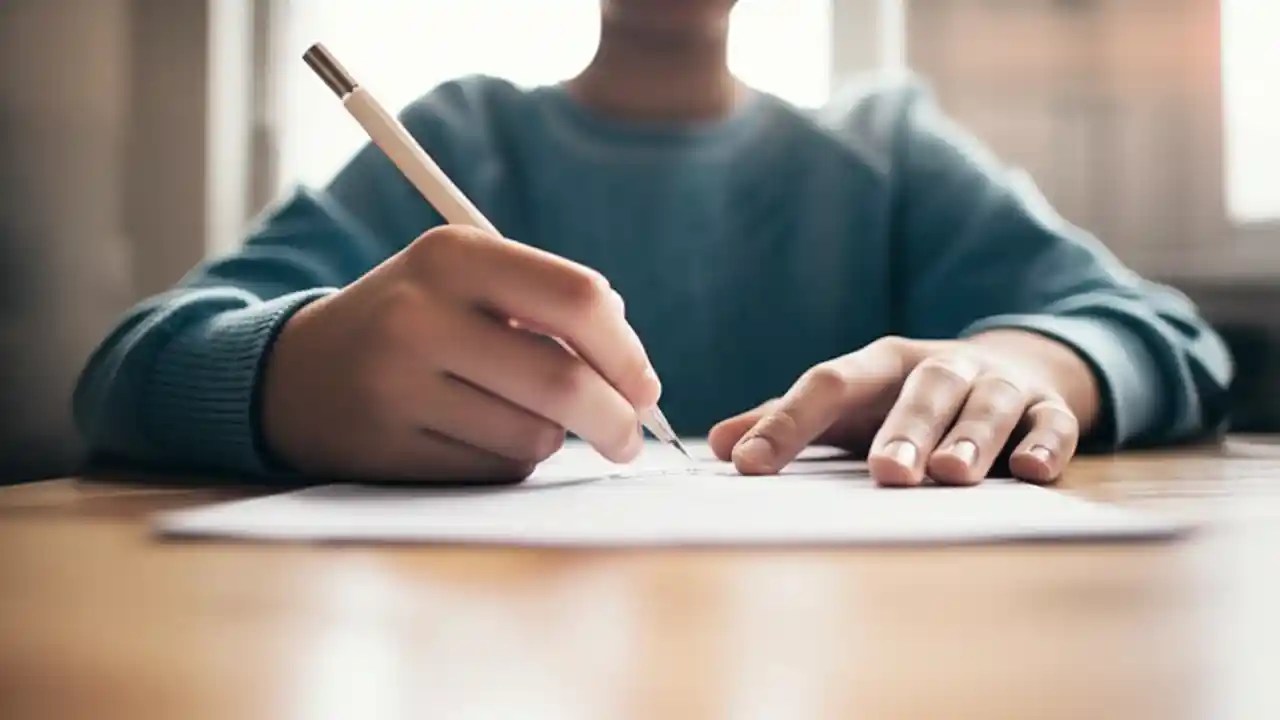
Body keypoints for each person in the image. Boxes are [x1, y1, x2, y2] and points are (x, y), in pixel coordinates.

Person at [73, 0, 1231, 486]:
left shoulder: (888, 154)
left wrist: (1031, 366)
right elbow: (129, 368)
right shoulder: (461, 138)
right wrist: (291, 373)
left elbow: (1159, 332)